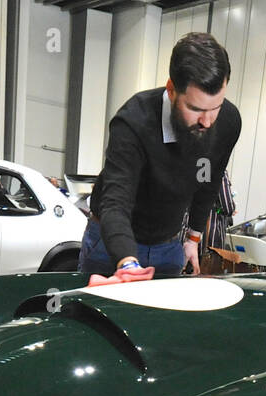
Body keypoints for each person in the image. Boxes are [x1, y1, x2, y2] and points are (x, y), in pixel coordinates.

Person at [80, 33, 241, 280]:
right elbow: (116, 202)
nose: (207, 121)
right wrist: (127, 262)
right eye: (195, 109)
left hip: (168, 247)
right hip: (110, 244)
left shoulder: (227, 122)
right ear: (171, 90)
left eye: (215, 107)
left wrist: (193, 237)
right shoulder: (133, 122)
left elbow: (207, 180)